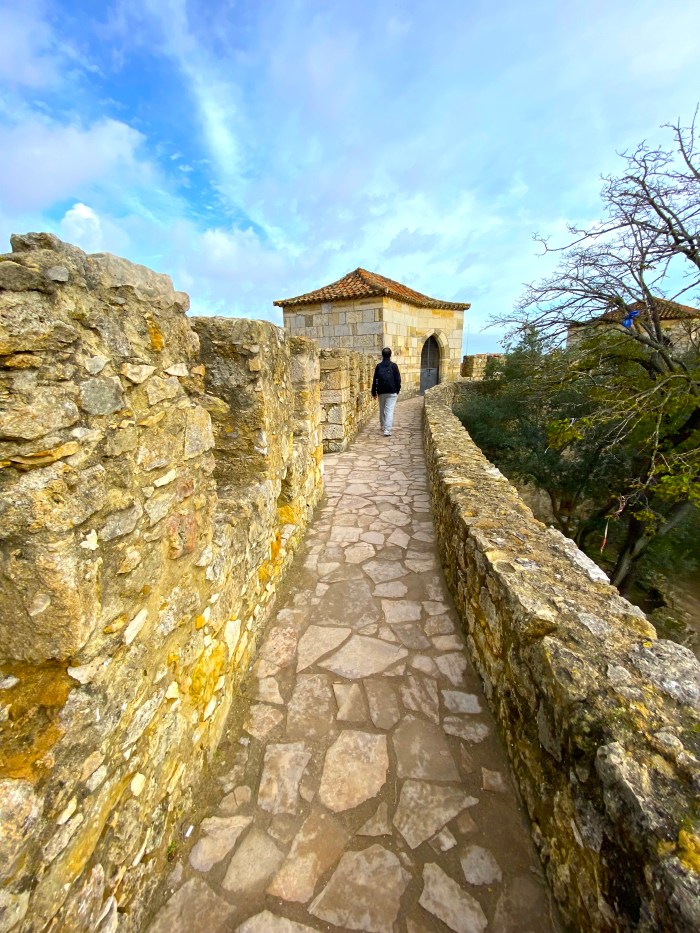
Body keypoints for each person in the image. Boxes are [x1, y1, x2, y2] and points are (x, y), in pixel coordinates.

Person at [371, 347, 401, 436]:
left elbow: (375, 379)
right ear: (390, 355)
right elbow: (398, 379)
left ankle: (383, 426)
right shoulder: (394, 366)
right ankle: (387, 430)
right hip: (392, 392)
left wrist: (374, 391)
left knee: (382, 410)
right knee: (389, 411)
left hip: (381, 392)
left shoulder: (378, 366)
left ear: (382, 355)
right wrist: (397, 390)